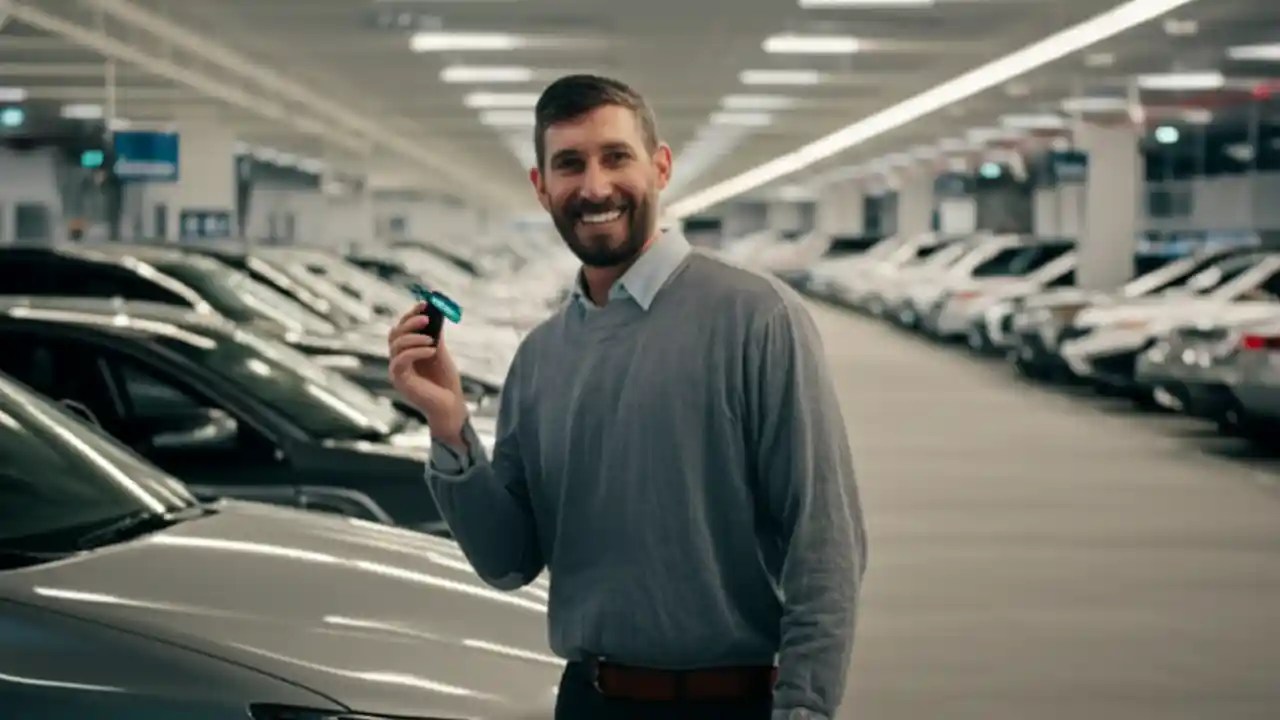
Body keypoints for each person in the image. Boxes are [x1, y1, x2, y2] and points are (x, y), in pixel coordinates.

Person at [387, 74, 867, 720]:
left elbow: (826, 545)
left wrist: (805, 710)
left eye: (616, 157)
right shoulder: (541, 357)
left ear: (660, 166)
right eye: (569, 165)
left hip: (732, 705)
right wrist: (449, 430)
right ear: (542, 187)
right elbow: (506, 562)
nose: (594, 187)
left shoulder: (757, 319)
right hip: (590, 703)